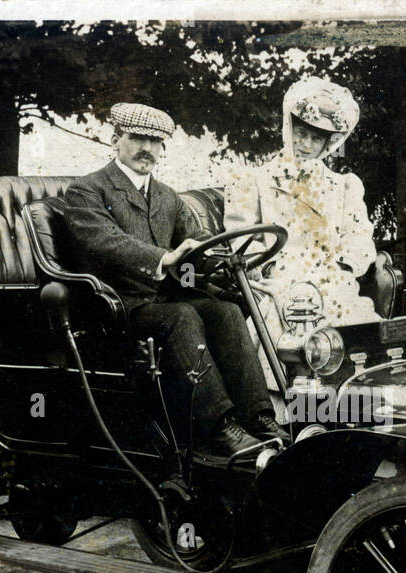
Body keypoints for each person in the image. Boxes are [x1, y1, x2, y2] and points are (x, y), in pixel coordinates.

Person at [61, 102, 289, 457]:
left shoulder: (168, 197)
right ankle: (220, 427)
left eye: (156, 142)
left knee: (225, 310)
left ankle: (260, 417)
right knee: (182, 315)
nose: (147, 149)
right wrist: (164, 259)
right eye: (137, 138)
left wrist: (224, 261)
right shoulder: (87, 191)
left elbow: (197, 241)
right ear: (115, 139)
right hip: (117, 310)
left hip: (164, 302)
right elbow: (107, 242)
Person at [224, 77, 380, 355]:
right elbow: (242, 240)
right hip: (277, 279)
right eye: (301, 133)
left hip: (331, 278)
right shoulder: (253, 180)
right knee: (287, 318)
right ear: (289, 128)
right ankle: (283, 394)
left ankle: (348, 391)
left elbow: (359, 239)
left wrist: (342, 269)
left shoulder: (344, 186)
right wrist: (272, 270)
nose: (306, 144)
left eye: (316, 138)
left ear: (328, 143)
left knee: (354, 325)